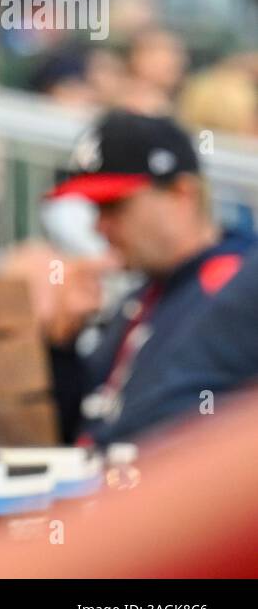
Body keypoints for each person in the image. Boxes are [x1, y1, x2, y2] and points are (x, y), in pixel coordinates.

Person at [45, 109, 257, 447]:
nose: (98, 226)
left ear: (181, 195)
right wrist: (62, 343)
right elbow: (81, 429)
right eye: (96, 210)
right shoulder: (143, 294)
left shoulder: (239, 284)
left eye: (114, 206)